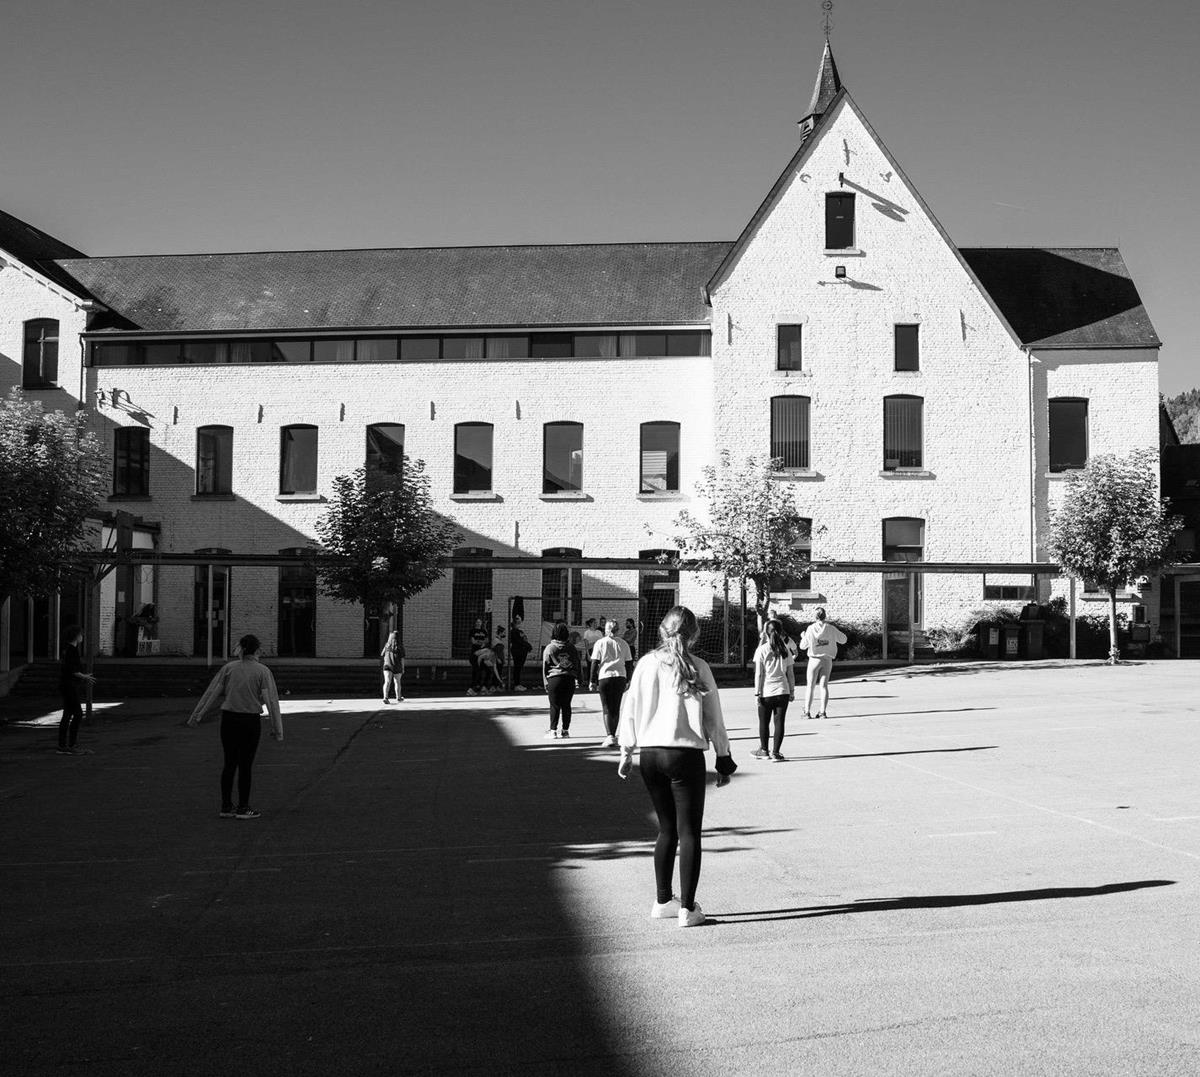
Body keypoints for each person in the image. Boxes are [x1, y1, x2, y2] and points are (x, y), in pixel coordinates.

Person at [617, 606, 736, 928]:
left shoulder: (645, 664)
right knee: (689, 832)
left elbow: (630, 708)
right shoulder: (698, 667)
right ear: (694, 634)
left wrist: (627, 749)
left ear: (661, 630)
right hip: (684, 755)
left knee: (666, 829)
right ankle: (688, 908)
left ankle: (662, 900)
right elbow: (714, 717)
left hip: (651, 754)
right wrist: (723, 758)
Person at [187, 634, 283, 820]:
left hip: (229, 719)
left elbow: (212, 692)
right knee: (245, 765)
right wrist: (276, 728)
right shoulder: (262, 671)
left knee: (229, 763)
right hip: (249, 721)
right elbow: (271, 700)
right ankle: (243, 807)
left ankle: (226, 805)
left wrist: (197, 716)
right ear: (257, 650)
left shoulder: (229, 668)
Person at [753, 619, 795, 761]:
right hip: (783, 690)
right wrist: (792, 691)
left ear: (765, 632)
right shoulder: (785, 649)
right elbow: (790, 673)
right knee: (779, 722)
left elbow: (759, 673)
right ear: (781, 631)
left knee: (764, 722)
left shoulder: (762, 650)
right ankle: (776, 753)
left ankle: (764, 750)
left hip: (766, 691)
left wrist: (757, 693)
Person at [589, 619, 633, 747]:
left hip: (605, 676)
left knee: (606, 708)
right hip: (620, 676)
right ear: (618, 630)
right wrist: (629, 679)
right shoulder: (624, 644)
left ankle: (610, 735)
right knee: (616, 707)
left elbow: (595, 662)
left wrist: (592, 680)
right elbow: (629, 663)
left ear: (606, 630)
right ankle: (614, 734)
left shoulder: (600, 643)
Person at [800, 607, 848, 719]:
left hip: (814, 659)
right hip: (827, 659)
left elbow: (803, 646)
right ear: (825, 616)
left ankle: (807, 712)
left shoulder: (811, 628)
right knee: (824, 686)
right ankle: (822, 712)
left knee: (810, 686)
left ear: (815, 616)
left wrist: (803, 637)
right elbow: (844, 639)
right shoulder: (831, 628)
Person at [56, 626, 95, 755]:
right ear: (76, 636)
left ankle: (62, 745)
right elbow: (71, 669)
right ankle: (71, 744)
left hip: (66, 684)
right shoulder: (72, 650)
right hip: (70, 685)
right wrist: (84, 676)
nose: (82, 637)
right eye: (81, 635)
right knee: (77, 714)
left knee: (67, 714)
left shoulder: (66, 649)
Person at [542, 621, 581, 738]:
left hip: (554, 678)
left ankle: (553, 730)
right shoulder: (571, 648)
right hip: (569, 678)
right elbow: (577, 663)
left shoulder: (550, 648)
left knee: (554, 705)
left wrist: (545, 682)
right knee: (566, 705)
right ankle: (565, 730)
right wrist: (579, 678)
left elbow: (545, 665)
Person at [380, 630, 405, 704]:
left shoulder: (387, 645)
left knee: (387, 681)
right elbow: (402, 659)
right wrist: (403, 668)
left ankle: (385, 697)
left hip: (387, 665)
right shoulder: (400, 646)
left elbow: (382, 654)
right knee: (397, 682)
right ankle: (398, 697)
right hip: (397, 665)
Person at [509, 615, 533, 692]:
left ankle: (518, 683)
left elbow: (524, 639)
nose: (520, 623)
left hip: (522, 651)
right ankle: (516, 684)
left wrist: (527, 645)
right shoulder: (513, 632)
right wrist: (527, 645)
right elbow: (519, 641)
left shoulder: (520, 631)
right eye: (518, 622)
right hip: (518, 651)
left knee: (519, 668)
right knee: (517, 668)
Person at [466, 618, 489, 695]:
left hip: (482, 655)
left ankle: (482, 688)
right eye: (477, 622)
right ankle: (472, 688)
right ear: (475, 623)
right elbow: (473, 641)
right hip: (475, 654)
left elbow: (486, 641)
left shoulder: (484, 631)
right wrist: (481, 643)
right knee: (476, 671)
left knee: (486, 670)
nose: (478, 623)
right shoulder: (472, 631)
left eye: (480, 622)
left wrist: (480, 642)